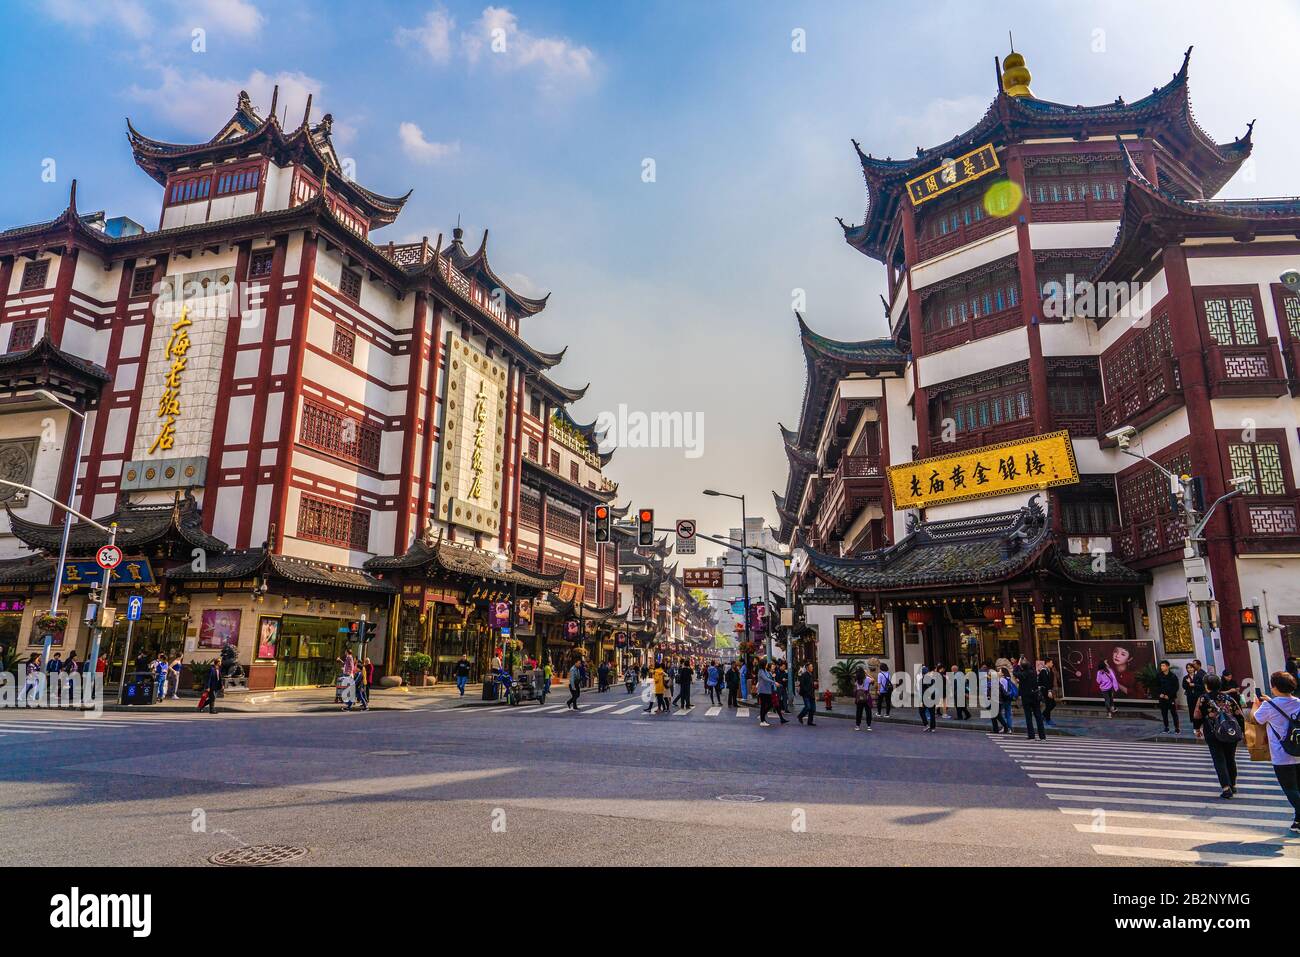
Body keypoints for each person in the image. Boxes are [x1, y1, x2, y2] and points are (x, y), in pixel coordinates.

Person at [1253, 671, 1300, 831]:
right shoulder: (1298, 702)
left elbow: (1256, 719)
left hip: (1282, 754)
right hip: (1299, 751)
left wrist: (1257, 704)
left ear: (1274, 687)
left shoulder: (1268, 706)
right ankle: (1298, 821)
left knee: (1290, 789)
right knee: (1298, 788)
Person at [1194, 673, 1244, 798]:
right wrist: (1242, 730)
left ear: (1206, 685)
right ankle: (1233, 785)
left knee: (1219, 759)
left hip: (1213, 732)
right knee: (1230, 758)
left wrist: (1197, 729)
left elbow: (1197, 715)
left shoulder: (1203, 698)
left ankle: (1226, 788)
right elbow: (1239, 714)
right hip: (1230, 732)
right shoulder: (1228, 698)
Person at [1014, 657, 1045, 741]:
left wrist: (1018, 664)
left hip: (1026, 697)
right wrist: (1025, 662)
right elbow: (1030, 667)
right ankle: (1042, 736)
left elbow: (1014, 672)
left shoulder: (1022, 674)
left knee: (1028, 717)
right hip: (1035, 696)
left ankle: (1031, 735)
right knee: (1038, 716)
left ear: (1022, 667)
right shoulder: (1034, 673)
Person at [756, 661, 786, 727]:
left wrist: (774, 681)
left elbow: (768, 678)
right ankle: (762, 720)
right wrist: (774, 682)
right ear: (763, 664)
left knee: (769, 704)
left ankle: (762, 718)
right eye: (766, 664)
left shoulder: (764, 671)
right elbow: (765, 679)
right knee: (764, 706)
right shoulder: (761, 671)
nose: (767, 665)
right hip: (762, 691)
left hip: (767, 691)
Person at [1155, 660, 1182, 733]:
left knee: (1174, 714)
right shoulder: (1159, 675)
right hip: (1162, 698)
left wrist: (1169, 696)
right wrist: (1160, 694)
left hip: (1171, 698)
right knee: (1164, 714)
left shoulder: (1173, 676)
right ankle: (1166, 728)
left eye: (1163, 666)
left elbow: (1176, 687)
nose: (1162, 667)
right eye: (1161, 666)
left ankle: (1177, 728)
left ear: (1168, 667)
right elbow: (1156, 686)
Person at [1183, 660, 1206, 733]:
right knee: (1192, 711)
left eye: (1191, 667)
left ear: (1193, 668)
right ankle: (1195, 727)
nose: (1189, 669)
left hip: (1198, 696)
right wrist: (1188, 684)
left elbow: (1203, 686)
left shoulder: (1198, 676)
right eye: (1188, 668)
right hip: (1190, 697)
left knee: (1200, 711)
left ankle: (1202, 726)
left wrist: (1194, 685)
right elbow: (1184, 686)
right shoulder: (1185, 677)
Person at [852, 665, 873, 731]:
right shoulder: (867, 679)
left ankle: (857, 726)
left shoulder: (856, 679)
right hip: (866, 696)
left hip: (859, 697)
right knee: (868, 711)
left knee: (859, 711)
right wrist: (867, 673)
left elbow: (855, 687)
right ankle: (869, 726)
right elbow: (873, 680)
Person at [1039, 659, 1058, 728]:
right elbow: (1045, 682)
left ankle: (1044, 716)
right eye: (1051, 662)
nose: (1052, 664)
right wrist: (1049, 691)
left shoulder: (1049, 670)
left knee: (1052, 704)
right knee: (1050, 704)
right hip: (1045, 690)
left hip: (1049, 690)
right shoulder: (1043, 671)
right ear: (1048, 662)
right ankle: (1047, 718)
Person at [917, 666, 937, 732]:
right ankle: (933, 728)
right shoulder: (932, 679)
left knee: (921, 711)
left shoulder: (921, 680)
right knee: (932, 713)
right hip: (932, 698)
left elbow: (922, 691)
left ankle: (926, 725)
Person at [997, 667, 1016, 734]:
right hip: (1008, 698)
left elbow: (1002, 690)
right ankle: (1009, 728)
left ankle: (1005, 727)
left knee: (1001, 714)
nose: (998, 672)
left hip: (1003, 698)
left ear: (1002, 673)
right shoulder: (1008, 678)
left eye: (999, 671)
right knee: (1008, 714)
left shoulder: (1001, 679)